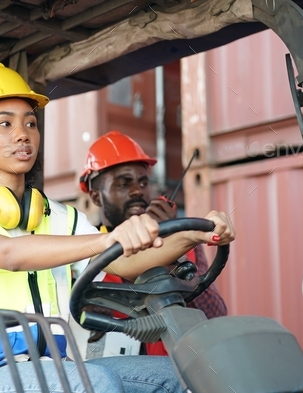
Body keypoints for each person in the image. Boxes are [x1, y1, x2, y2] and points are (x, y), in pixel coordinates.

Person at [0, 63, 235, 393]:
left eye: (30, 123)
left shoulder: (60, 217)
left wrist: (194, 235)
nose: (22, 134)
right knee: (97, 382)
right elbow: (8, 254)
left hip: (50, 368)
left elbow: (126, 264)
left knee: (181, 374)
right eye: (5, 123)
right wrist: (110, 238)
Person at [79, 131, 227, 356]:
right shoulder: (82, 251)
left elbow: (215, 316)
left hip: (174, 378)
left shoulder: (184, 243)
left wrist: (171, 250)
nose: (138, 190)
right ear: (97, 197)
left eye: (143, 182)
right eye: (124, 183)